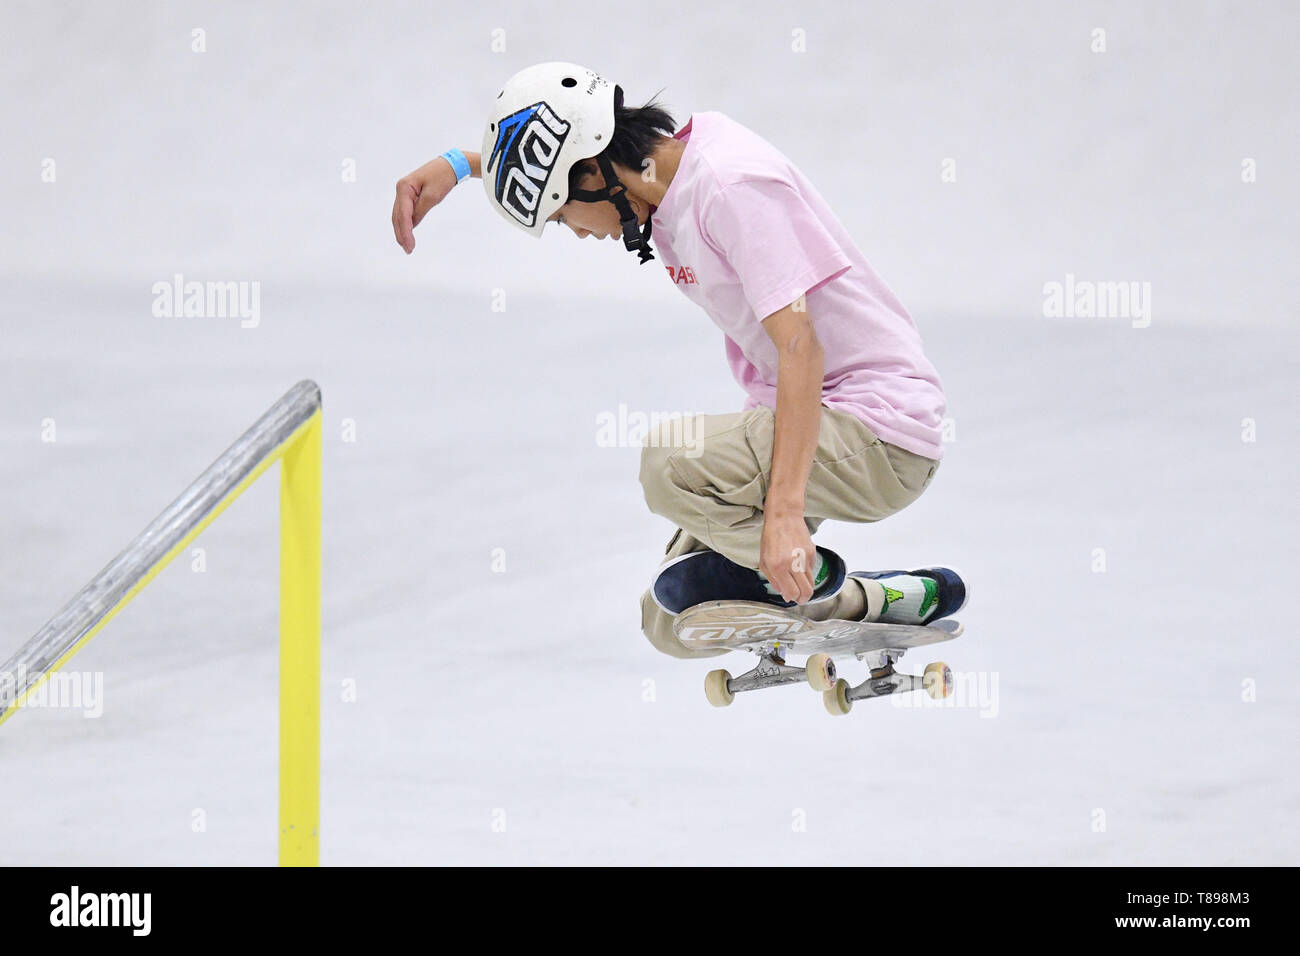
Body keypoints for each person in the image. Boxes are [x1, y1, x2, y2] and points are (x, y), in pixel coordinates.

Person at [392, 62, 966, 659]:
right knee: (674, 617)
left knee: (669, 462)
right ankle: (878, 599)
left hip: (879, 430)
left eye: (562, 215)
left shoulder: (731, 187)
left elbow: (801, 346)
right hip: (810, 423)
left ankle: (802, 571)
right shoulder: (660, 181)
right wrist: (462, 165)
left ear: (592, 172)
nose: (578, 233)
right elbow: (567, 139)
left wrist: (784, 516)